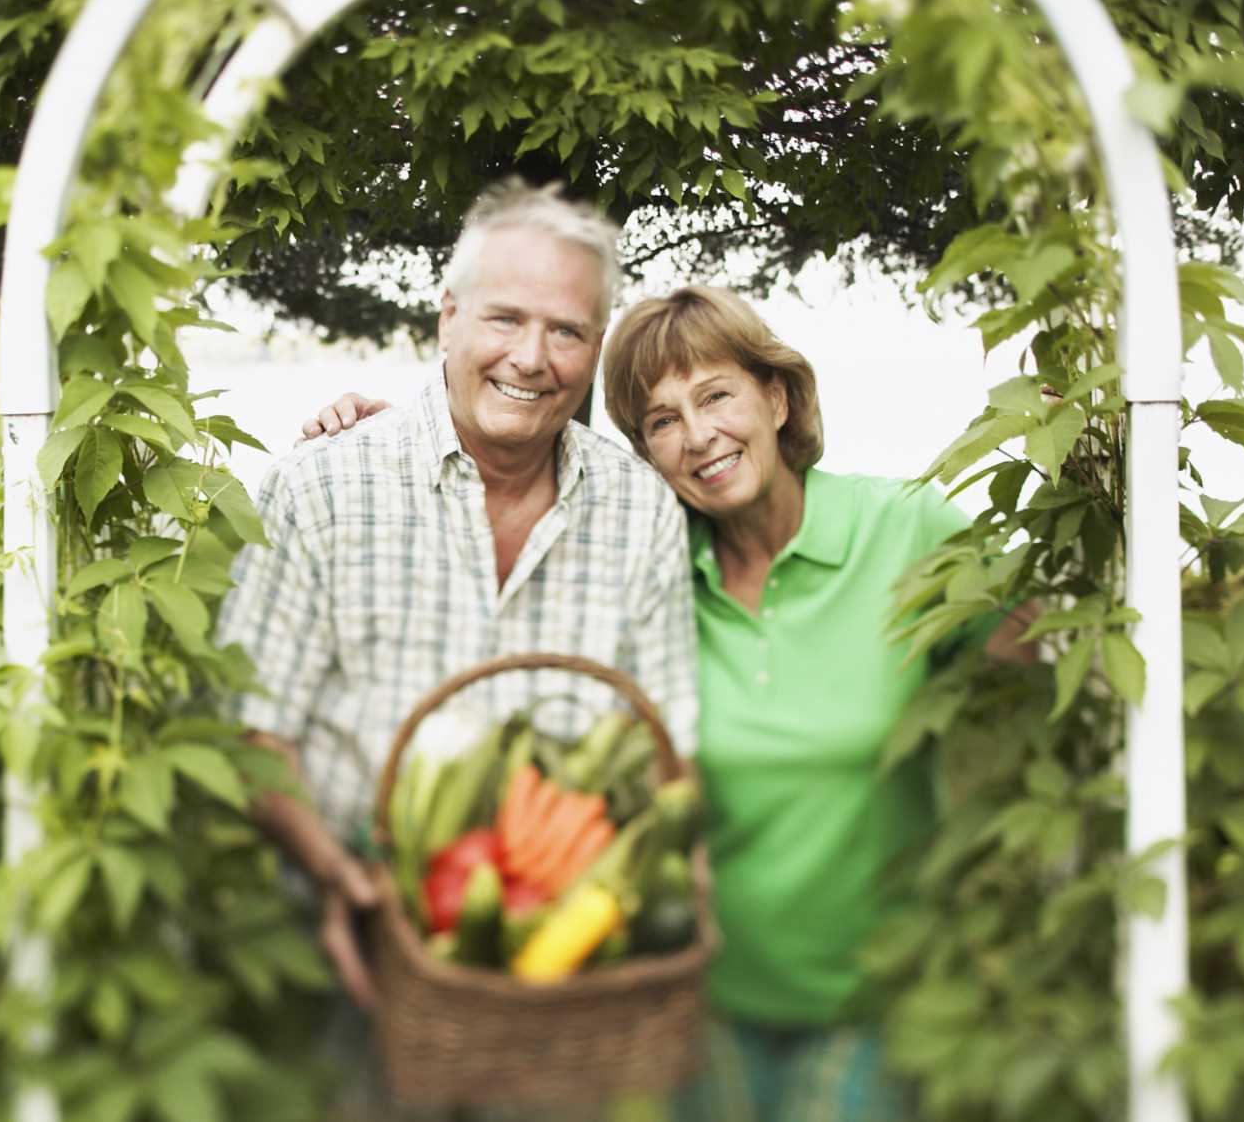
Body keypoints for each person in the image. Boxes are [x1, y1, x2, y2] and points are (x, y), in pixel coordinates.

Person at [305, 284, 1035, 1121]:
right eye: (660, 420)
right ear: (646, 453)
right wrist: (383, 443)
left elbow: (1049, 661)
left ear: (778, 394)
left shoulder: (907, 530)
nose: (698, 436)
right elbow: (487, 560)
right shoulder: (644, 567)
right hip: (687, 1000)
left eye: (716, 395)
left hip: (876, 998)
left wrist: (1086, 476)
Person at [215, 179, 699, 1026]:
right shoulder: (321, 485)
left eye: (566, 331)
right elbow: (256, 732)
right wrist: (343, 879)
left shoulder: (638, 504)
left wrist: (654, 902)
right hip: (338, 946)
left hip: (561, 960)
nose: (531, 357)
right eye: (504, 318)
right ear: (447, 316)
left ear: (594, 347)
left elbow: (662, 742)